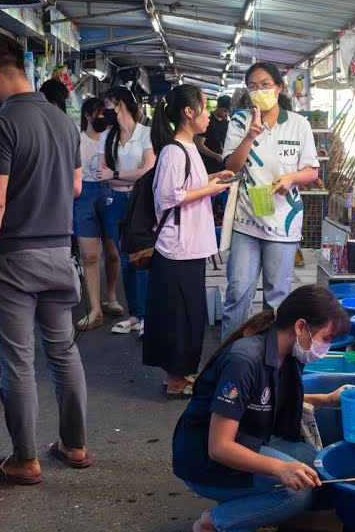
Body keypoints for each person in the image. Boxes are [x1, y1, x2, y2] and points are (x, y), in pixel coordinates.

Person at [0, 30, 91, 484]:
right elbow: (75, 186)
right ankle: (74, 445)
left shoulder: (1, 124)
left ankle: (25, 459)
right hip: (59, 256)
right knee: (63, 353)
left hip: (14, 261)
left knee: (18, 362)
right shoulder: (62, 121)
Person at [172, 284, 353, 532]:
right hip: (204, 457)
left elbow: (266, 398)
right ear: (301, 327)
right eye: (326, 338)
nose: (326, 346)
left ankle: (253, 510)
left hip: (249, 438)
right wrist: (280, 468)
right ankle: (209, 529)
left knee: (317, 465)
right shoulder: (244, 361)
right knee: (296, 491)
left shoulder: (286, 353)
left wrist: (327, 399)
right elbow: (219, 447)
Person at [143, 84, 236, 397]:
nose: (208, 115)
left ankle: (180, 375)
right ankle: (175, 381)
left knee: (187, 315)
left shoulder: (188, 147)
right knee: (179, 318)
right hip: (177, 247)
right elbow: (169, 196)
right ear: (188, 112)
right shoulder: (173, 151)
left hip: (189, 245)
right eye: (205, 108)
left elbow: (188, 185)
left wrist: (213, 179)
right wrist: (209, 189)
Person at [220, 63, 321, 340]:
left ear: (279, 88)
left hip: (283, 223)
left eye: (265, 85)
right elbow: (231, 167)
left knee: (277, 298)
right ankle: (229, 355)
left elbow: (312, 171)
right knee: (237, 293)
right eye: (253, 87)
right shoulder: (239, 121)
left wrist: (291, 178)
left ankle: (272, 358)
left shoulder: (298, 124)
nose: (259, 91)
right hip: (246, 221)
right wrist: (250, 135)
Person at [101, 86, 157, 336]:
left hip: (141, 201)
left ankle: (147, 316)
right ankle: (135, 314)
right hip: (116, 200)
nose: (105, 111)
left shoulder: (146, 133)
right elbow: (101, 173)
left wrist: (115, 174)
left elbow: (147, 171)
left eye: (107, 105)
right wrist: (124, 177)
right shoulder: (107, 136)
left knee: (142, 256)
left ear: (120, 104)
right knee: (124, 259)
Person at [72, 96, 125, 331]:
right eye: (99, 113)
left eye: (105, 113)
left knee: (113, 253)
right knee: (90, 256)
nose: (103, 117)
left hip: (110, 192)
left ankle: (111, 297)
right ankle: (95, 309)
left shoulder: (113, 138)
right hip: (84, 197)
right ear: (88, 115)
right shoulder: (77, 140)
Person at [195, 95, 231, 174]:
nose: (227, 115)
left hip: (221, 163)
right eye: (225, 111)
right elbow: (199, 144)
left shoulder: (227, 123)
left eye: (229, 112)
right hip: (207, 163)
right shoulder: (207, 121)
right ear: (218, 106)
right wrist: (216, 155)